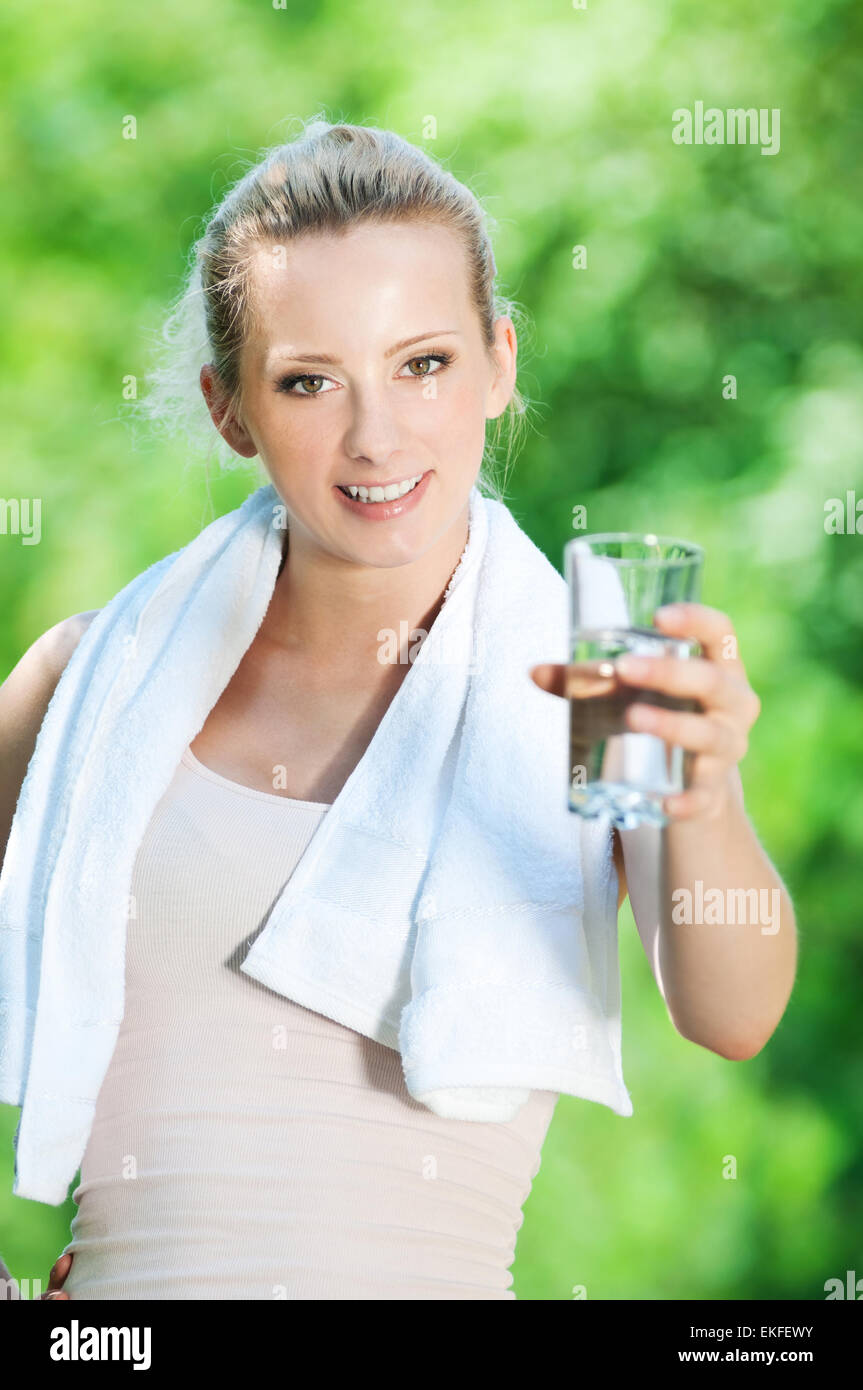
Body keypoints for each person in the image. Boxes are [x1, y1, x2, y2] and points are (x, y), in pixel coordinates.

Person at [1, 117, 796, 1301]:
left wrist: (704, 787)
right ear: (232, 411)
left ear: (499, 360)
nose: (376, 436)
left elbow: (728, 1013)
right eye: (309, 381)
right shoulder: (84, 683)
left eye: (422, 363)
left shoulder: (595, 684)